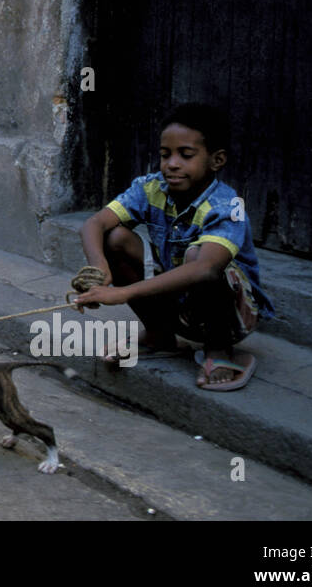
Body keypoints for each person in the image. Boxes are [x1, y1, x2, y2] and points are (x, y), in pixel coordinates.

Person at [73, 103, 275, 391]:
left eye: (186, 155)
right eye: (165, 155)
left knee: (198, 257)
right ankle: (159, 335)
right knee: (114, 239)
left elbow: (206, 269)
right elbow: (93, 224)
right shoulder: (151, 188)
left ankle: (219, 350)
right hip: (176, 299)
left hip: (231, 314)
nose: (172, 164)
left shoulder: (227, 206)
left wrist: (121, 293)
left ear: (216, 160)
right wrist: (100, 269)